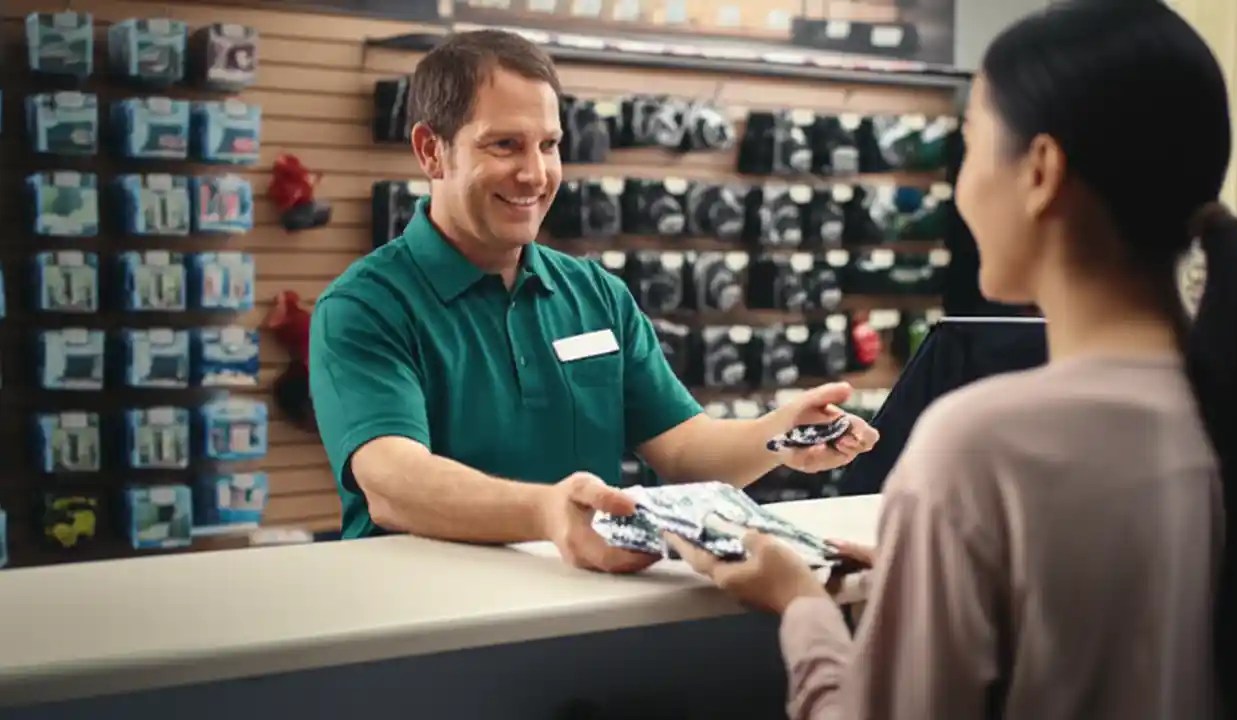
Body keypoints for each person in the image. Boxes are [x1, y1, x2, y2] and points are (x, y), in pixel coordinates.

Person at [668, 1, 1237, 718]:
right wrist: (933, 571)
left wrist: (801, 604)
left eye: (971, 145)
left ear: (1040, 171)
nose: (959, 189)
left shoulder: (986, 446)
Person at [308, 29, 880, 574]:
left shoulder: (594, 293)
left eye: (549, 145)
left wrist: (780, 435)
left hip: (584, 601)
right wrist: (545, 513)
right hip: (428, 626)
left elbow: (684, 448)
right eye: (504, 145)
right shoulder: (365, 307)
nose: (535, 174)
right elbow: (393, 484)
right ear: (432, 151)